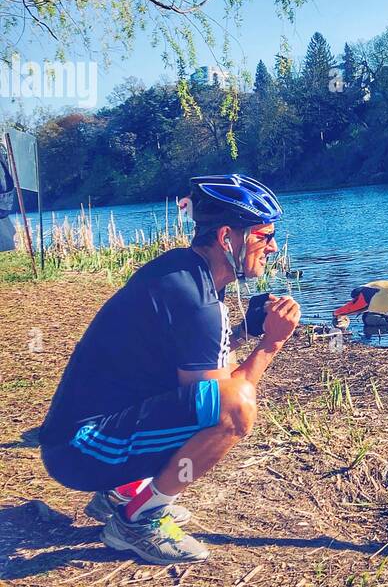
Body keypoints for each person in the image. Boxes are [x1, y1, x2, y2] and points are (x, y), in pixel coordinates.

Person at [39, 175, 301, 565]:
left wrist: (247, 330)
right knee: (237, 409)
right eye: (264, 236)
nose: (273, 246)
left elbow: (208, 363)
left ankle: (123, 493)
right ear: (228, 236)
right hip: (81, 450)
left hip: (77, 438)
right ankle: (137, 521)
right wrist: (271, 344)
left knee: (220, 398)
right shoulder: (198, 300)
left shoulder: (185, 272)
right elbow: (222, 403)